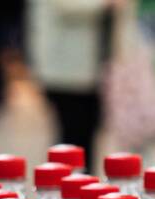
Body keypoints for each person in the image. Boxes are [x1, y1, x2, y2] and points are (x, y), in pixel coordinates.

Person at [27, 0, 113, 172]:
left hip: (87, 70)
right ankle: (66, 188)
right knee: (71, 135)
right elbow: (66, 6)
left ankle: (84, 186)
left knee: (87, 133)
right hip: (64, 70)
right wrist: (106, 4)